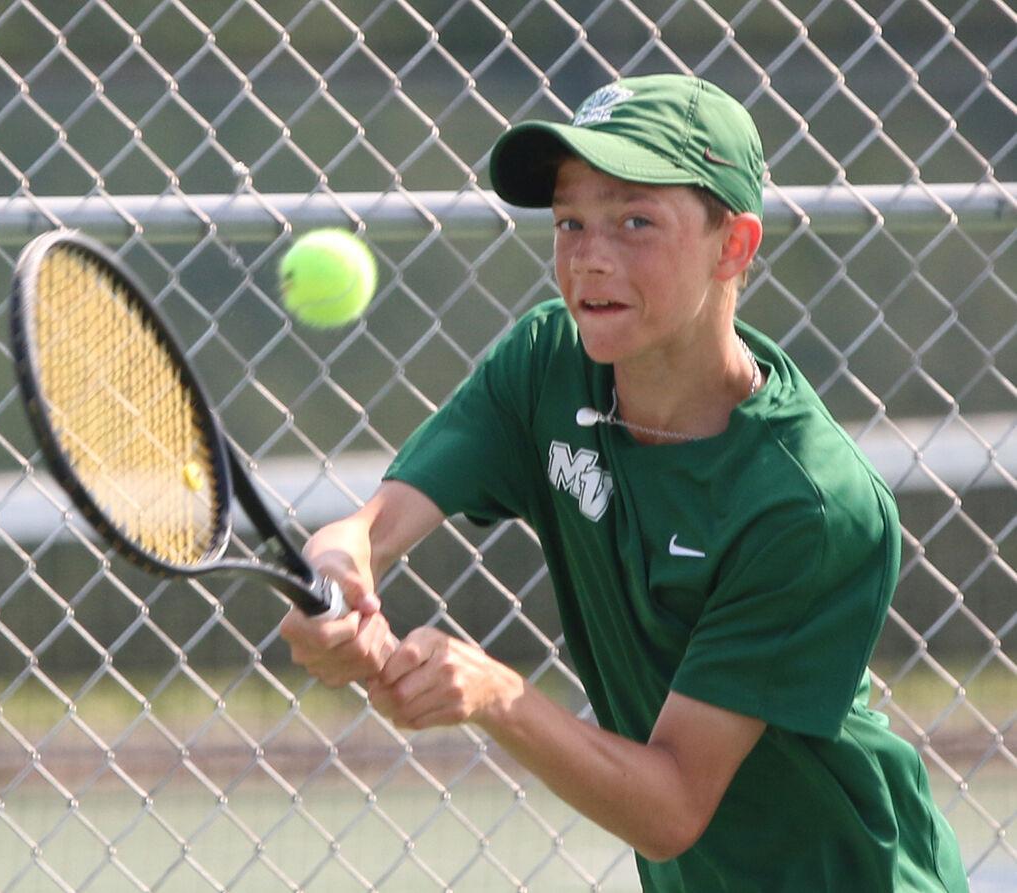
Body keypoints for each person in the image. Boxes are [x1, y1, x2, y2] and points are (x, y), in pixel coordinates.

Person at [280, 73, 968, 892]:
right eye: (572, 221)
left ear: (734, 246)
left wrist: (494, 693)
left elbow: (671, 803)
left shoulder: (811, 504)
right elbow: (374, 525)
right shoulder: (546, 365)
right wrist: (338, 570)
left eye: (636, 220)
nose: (591, 258)